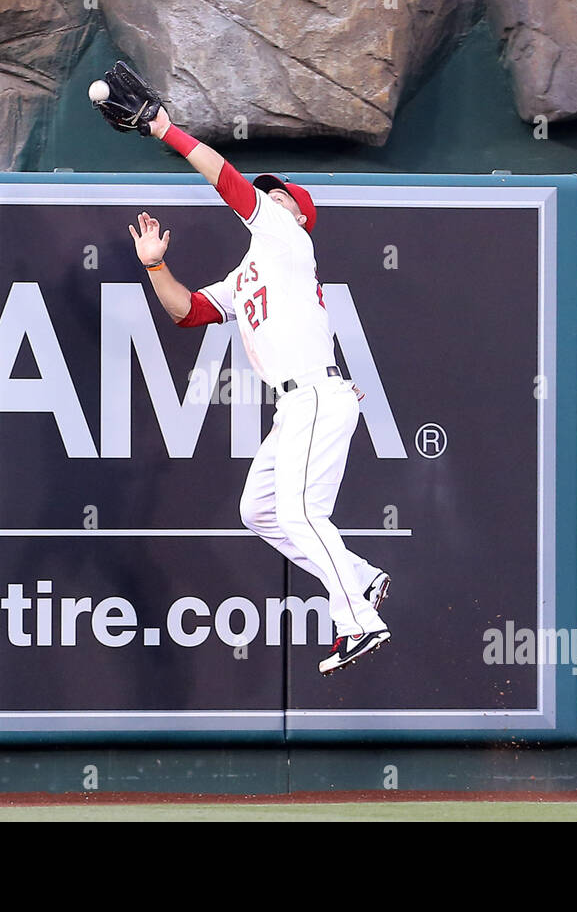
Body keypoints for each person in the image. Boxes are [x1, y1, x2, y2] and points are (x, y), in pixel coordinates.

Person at [126, 106, 391, 675]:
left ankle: (358, 620)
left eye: (281, 196)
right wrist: (156, 267)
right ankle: (360, 577)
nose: (269, 196)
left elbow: (227, 180)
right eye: (267, 193)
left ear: (298, 216)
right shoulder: (249, 273)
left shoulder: (288, 241)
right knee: (260, 510)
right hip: (298, 404)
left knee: (298, 512)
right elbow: (187, 312)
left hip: (316, 396)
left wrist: (165, 131)